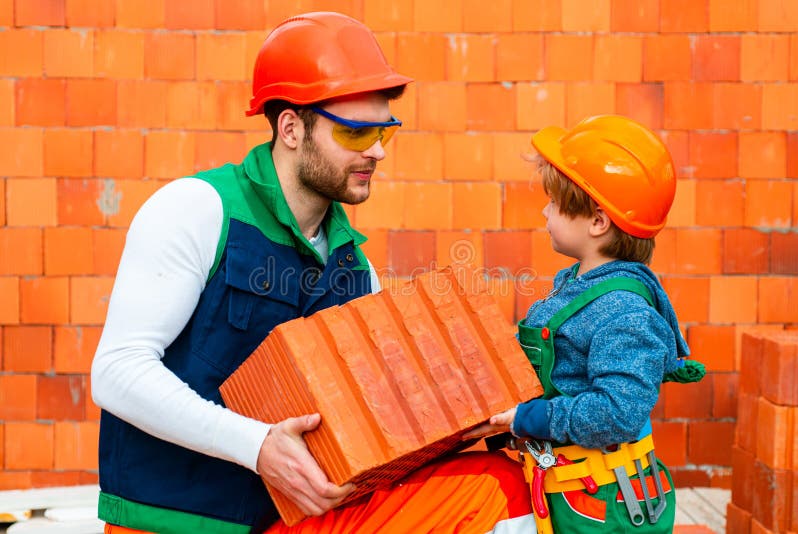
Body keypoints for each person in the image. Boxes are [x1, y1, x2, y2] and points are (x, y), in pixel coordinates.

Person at [92, 11, 534, 534]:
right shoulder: (198, 209)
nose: (376, 151)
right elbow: (116, 372)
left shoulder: (356, 269)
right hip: (172, 523)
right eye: (355, 132)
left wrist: (461, 421)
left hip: (293, 521)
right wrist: (257, 446)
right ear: (291, 128)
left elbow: (374, 429)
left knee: (500, 485)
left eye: (383, 132)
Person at [467, 115, 697, 533]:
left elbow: (618, 413)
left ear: (597, 221)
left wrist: (528, 418)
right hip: (566, 492)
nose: (544, 211)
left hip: (601, 510)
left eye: (554, 203)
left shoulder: (626, 314)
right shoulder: (577, 285)